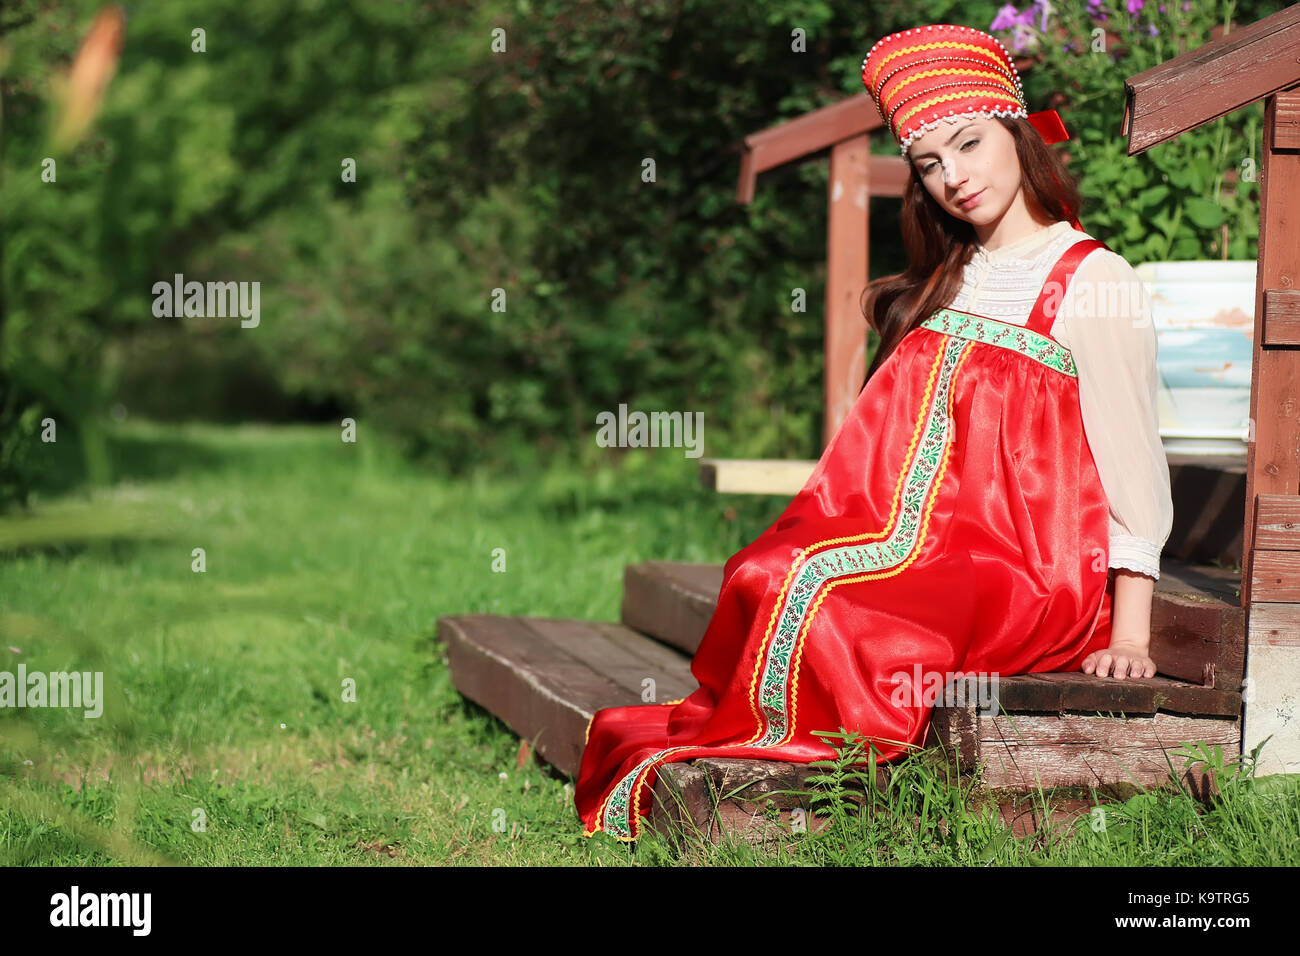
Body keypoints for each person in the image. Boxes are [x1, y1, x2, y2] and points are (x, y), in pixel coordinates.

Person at [574, 23, 1174, 842]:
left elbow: (1134, 456)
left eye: (968, 144)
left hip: (1027, 563)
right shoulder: (950, 273)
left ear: (1019, 134)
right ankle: (759, 749)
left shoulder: (1094, 281)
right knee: (766, 570)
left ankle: (828, 789)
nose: (953, 177)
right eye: (929, 163)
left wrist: (1130, 630)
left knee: (838, 606)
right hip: (922, 539)